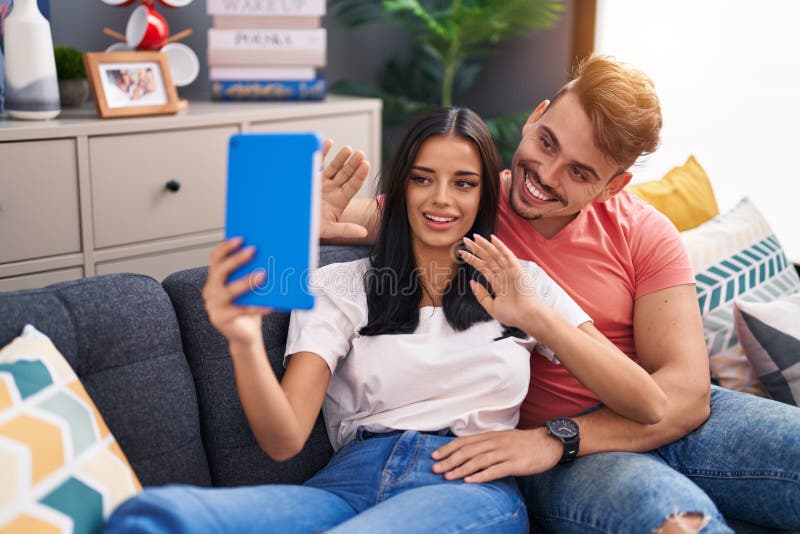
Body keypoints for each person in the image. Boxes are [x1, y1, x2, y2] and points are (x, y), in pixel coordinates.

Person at [104, 106, 668, 533]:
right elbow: (283, 439)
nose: (441, 199)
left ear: (481, 196)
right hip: (346, 483)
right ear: (398, 188)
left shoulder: (521, 284)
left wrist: (535, 319)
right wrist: (244, 339)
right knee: (156, 513)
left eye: (464, 182)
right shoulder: (341, 286)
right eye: (423, 178)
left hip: (466, 489)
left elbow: (648, 404)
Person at [321, 55, 800, 533]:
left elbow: (685, 395)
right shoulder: (461, 205)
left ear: (614, 186)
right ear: (535, 117)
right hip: (566, 463)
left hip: (643, 428)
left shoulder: (646, 233)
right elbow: (335, 221)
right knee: (673, 521)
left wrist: (558, 438)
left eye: (580, 172)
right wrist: (310, 218)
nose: (547, 175)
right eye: (547, 143)